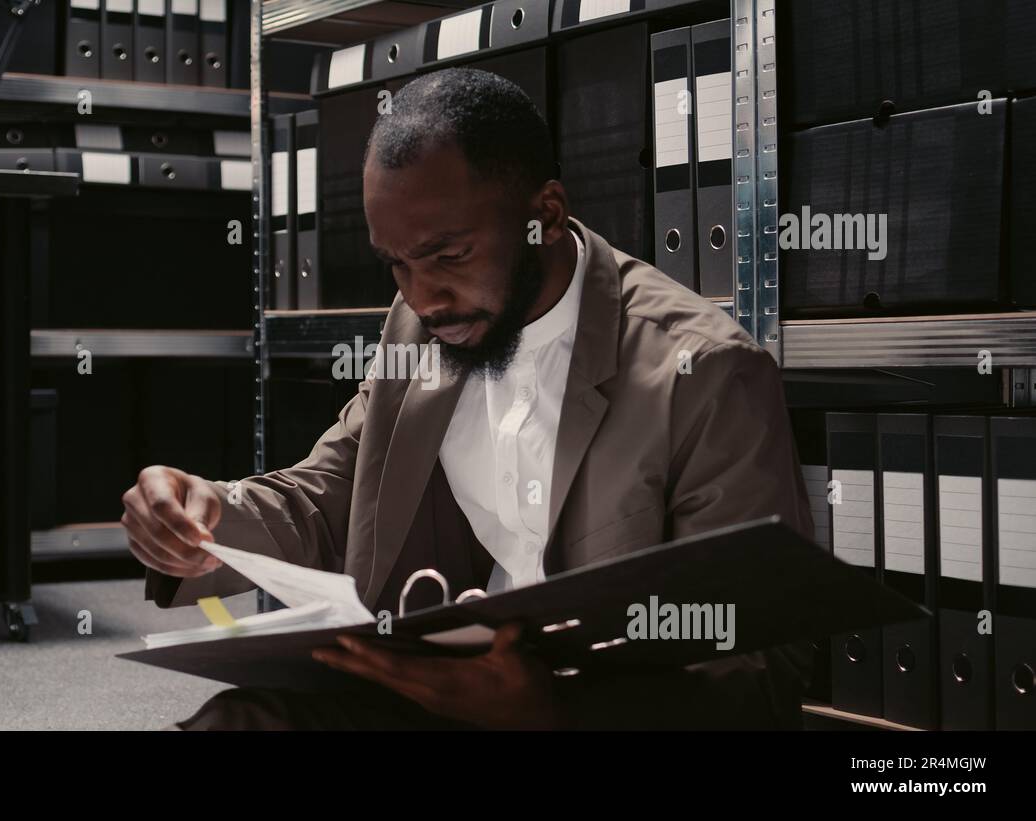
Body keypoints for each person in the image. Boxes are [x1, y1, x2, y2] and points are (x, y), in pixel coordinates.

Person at [123, 68, 815, 730]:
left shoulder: (706, 373)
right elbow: (330, 495)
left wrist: (551, 714)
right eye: (397, 262)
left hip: (590, 719)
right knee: (235, 721)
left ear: (543, 213)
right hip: (437, 696)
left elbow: (761, 673)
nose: (421, 296)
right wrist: (207, 516)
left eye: (449, 255)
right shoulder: (418, 324)